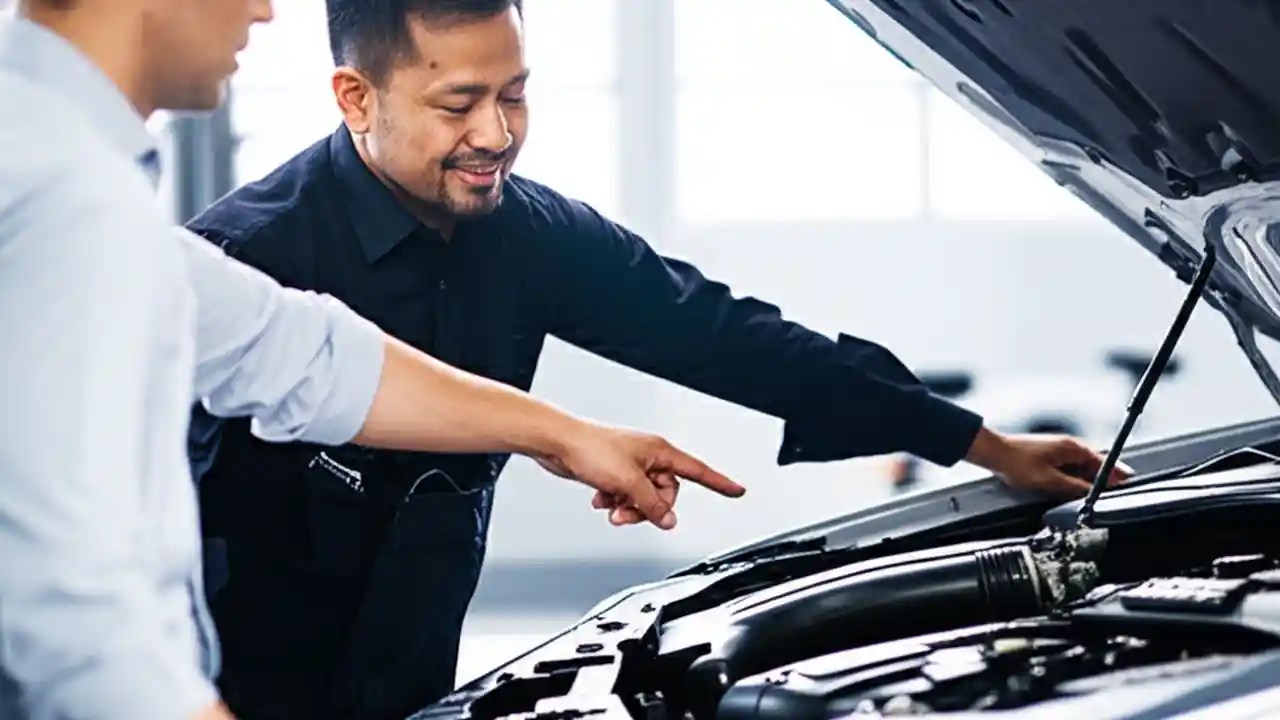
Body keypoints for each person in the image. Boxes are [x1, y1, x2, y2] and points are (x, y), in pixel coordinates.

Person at [185, 1, 1131, 718]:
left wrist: (978, 441)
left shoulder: (531, 233)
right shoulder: (244, 265)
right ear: (357, 96)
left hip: (419, 668)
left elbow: (723, 333)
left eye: (514, 94)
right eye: (457, 104)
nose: (497, 134)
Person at [0, 1, 745, 719]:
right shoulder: (66, 201)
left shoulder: (55, 161)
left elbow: (302, 354)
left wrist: (564, 435)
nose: (262, 11)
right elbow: (72, 614)